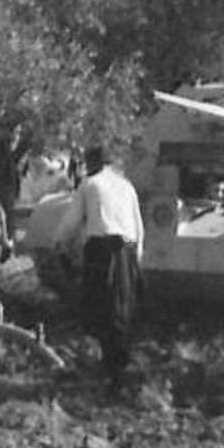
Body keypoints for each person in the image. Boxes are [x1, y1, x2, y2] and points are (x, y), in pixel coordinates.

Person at [53, 145, 145, 384]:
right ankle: (119, 366)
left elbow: (70, 223)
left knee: (100, 308)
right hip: (127, 250)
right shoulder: (127, 186)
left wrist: (59, 245)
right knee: (122, 310)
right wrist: (135, 262)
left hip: (101, 251)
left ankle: (111, 367)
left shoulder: (90, 184)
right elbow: (139, 228)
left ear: (93, 163)